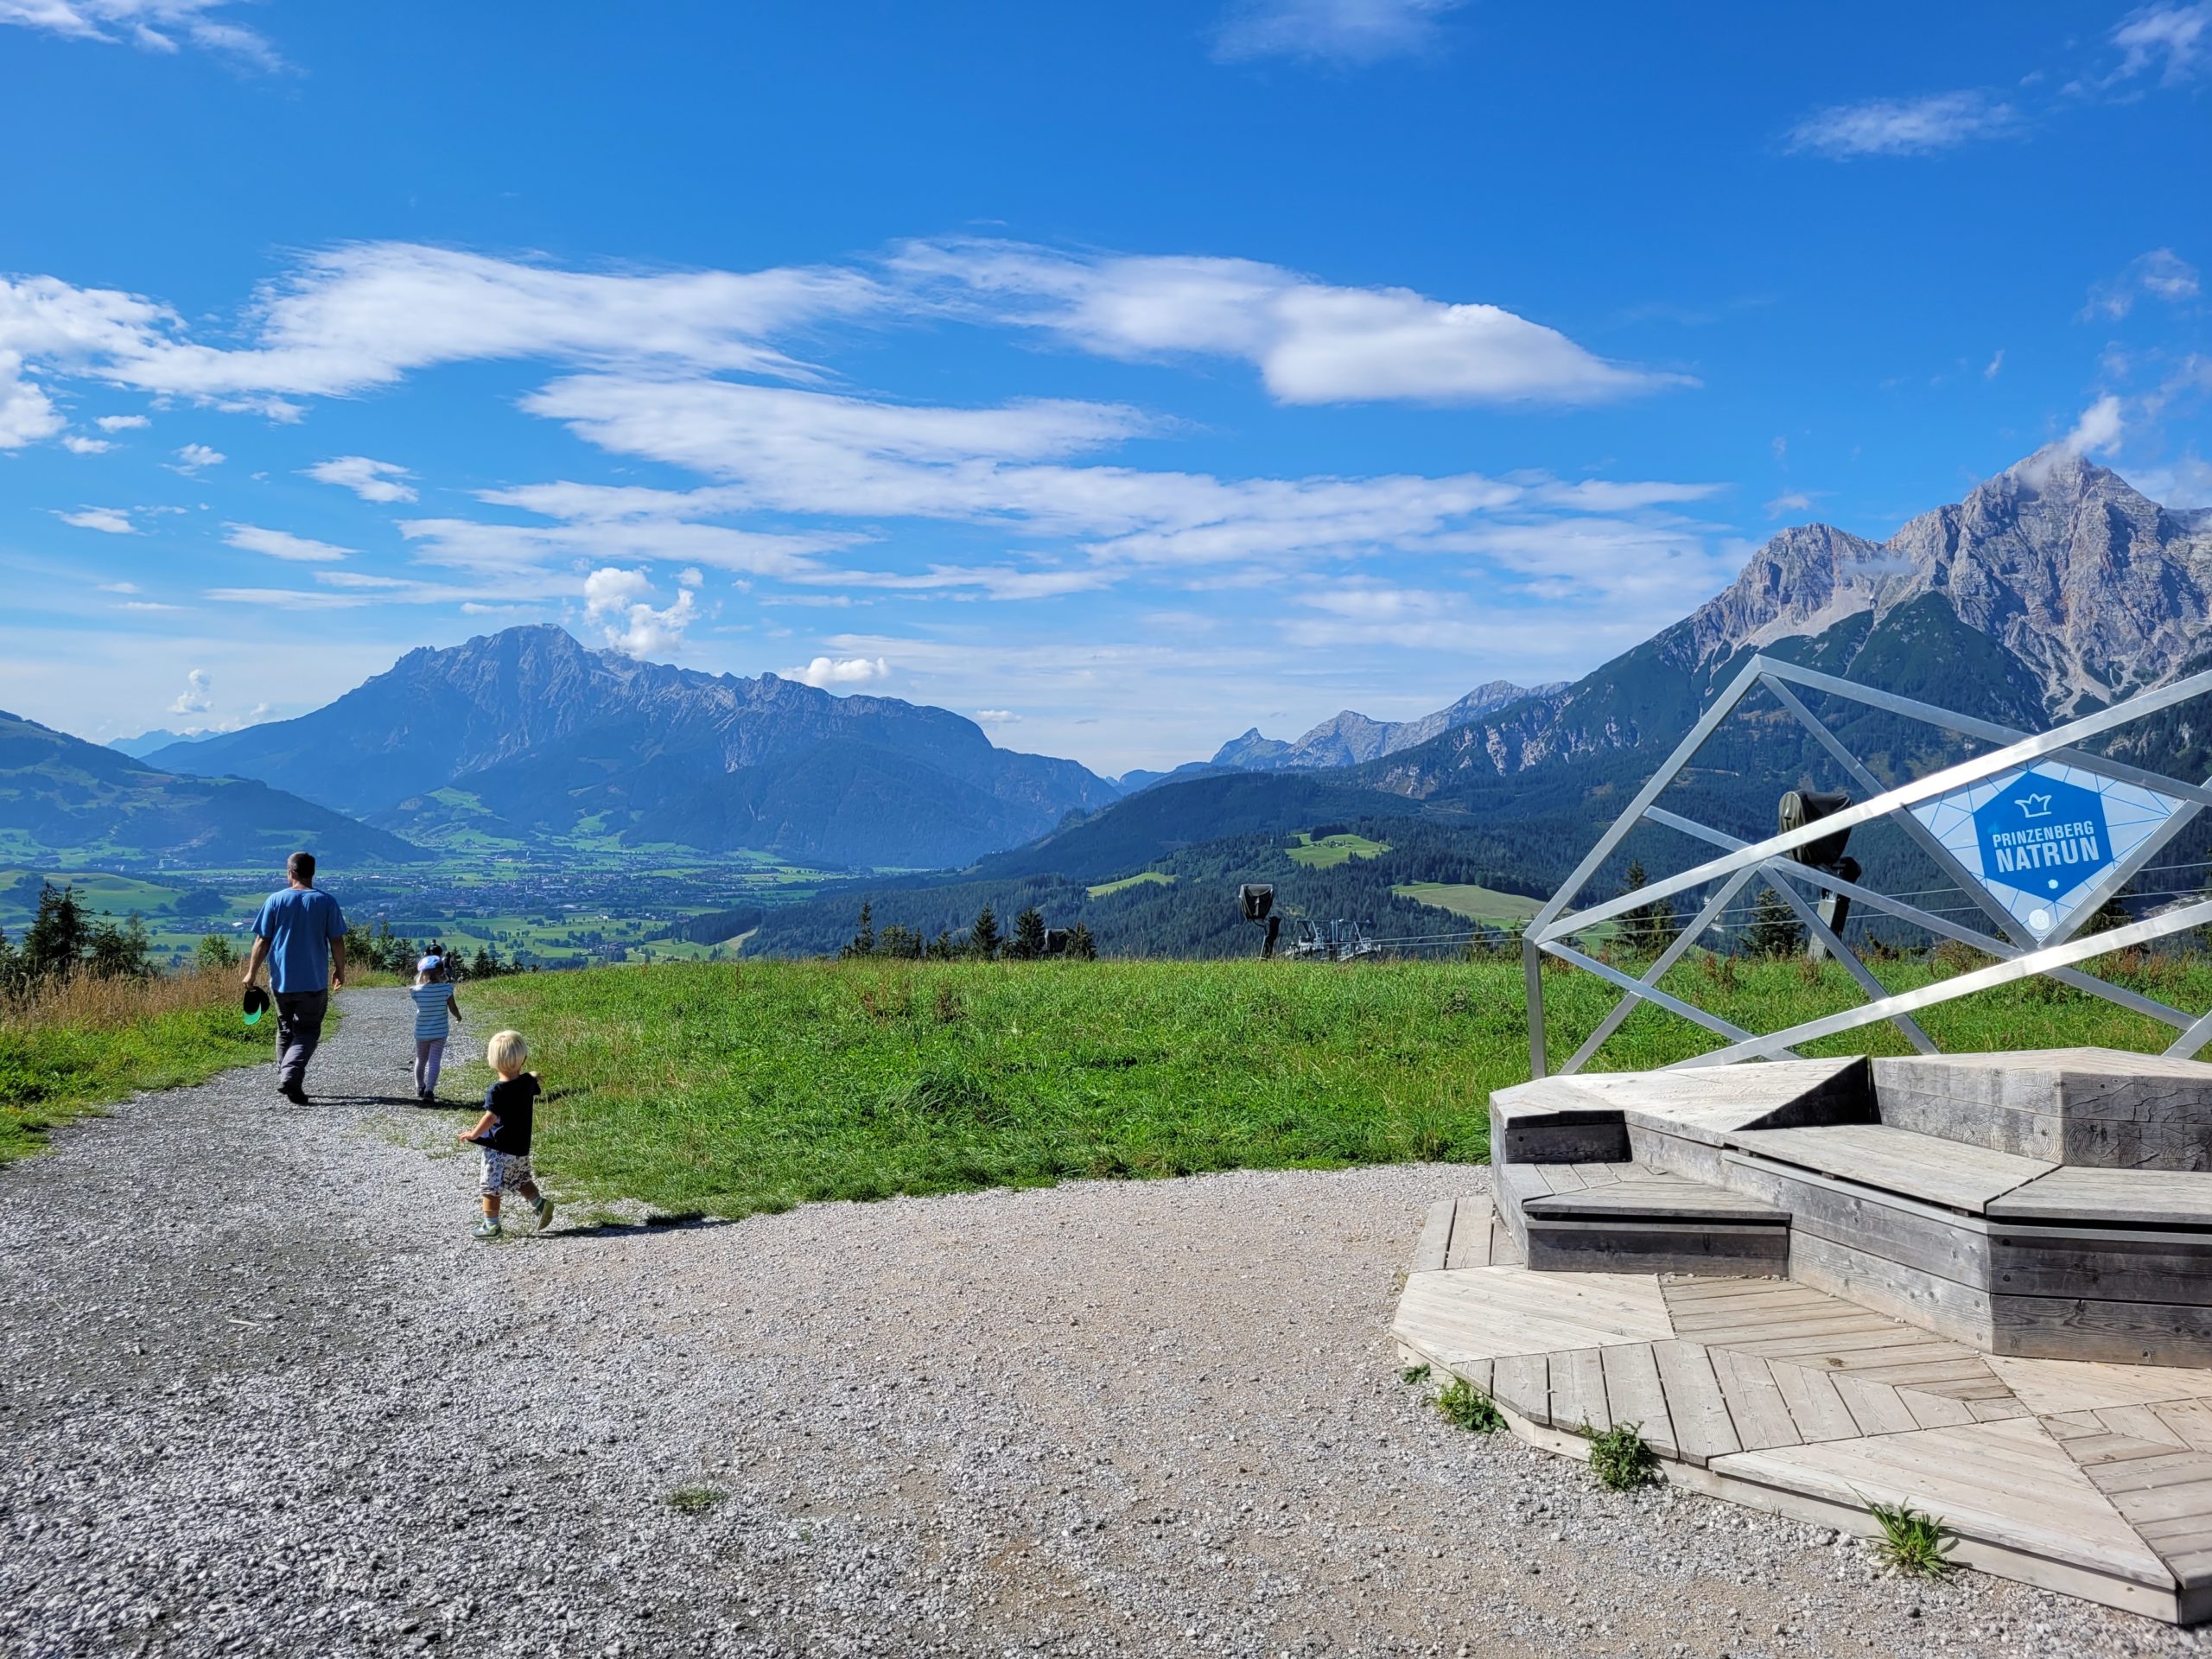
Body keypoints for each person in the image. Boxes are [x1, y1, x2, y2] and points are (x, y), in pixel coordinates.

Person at [240, 851, 347, 1105]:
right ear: (312, 873)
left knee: (286, 1030)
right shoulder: (326, 902)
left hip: (281, 981)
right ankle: (290, 1077)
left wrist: (251, 972)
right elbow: (337, 940)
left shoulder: (275, 900)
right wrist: (340, 969)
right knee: (307, 1031)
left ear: (290, 872)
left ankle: (289, 1078)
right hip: (313, 981)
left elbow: (262, 940)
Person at [458, 1028, 553, 1240]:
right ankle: (540, 1204)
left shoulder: (497, 1091)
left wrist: (474, 1133)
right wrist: (533, 1075)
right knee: (520, 1178)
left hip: (499, 1148)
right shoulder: (528, 1082)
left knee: (490, 1186)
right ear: (524, 1059)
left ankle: (491, 1226)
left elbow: (491, 1117)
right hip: (520, 1147)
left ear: (492, 1061)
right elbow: (531, 1080)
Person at [409, 954, 461, 1103]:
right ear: (440, 972)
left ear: (423, 973)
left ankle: (420, 1087)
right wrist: (458, 1016)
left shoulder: (416, 991)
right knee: (434, 1061)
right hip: (439, 1032)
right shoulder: (446, 989)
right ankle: (429, 1091)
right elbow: (453, 1008)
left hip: (421, 1032)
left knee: (421, 1059)